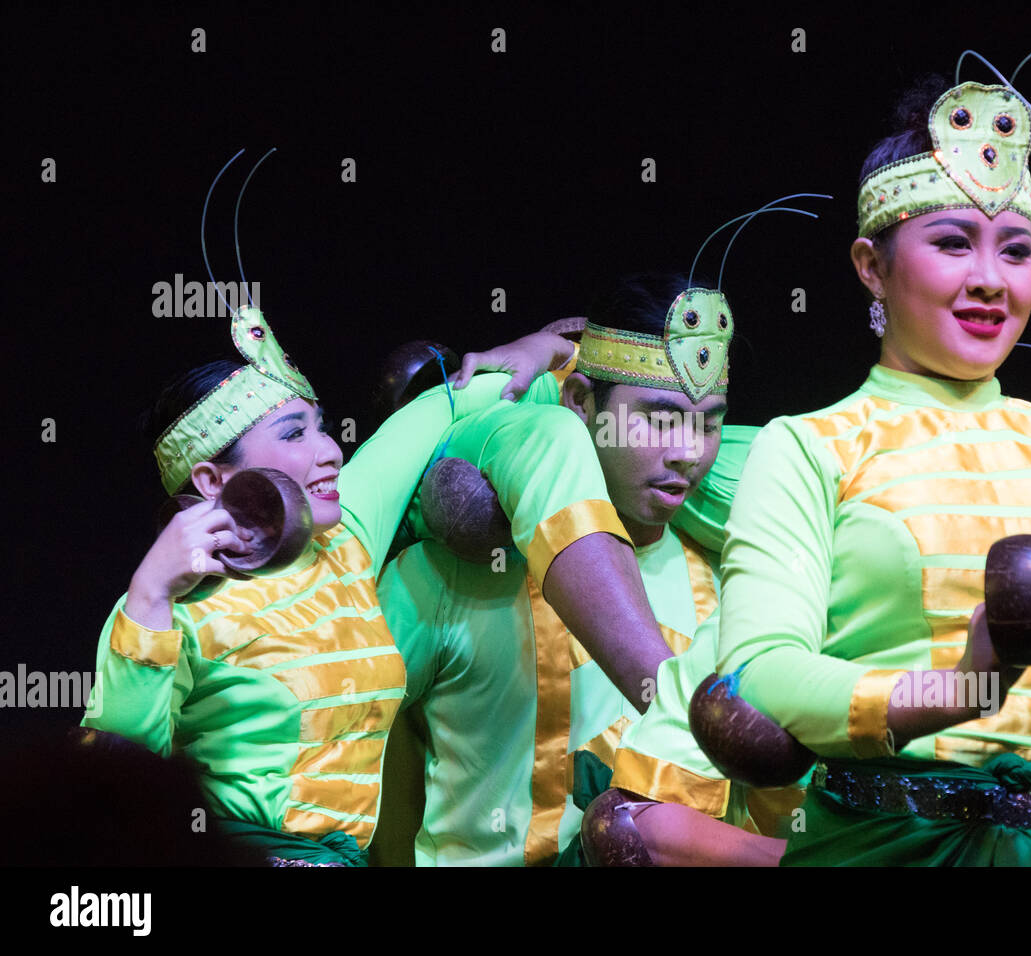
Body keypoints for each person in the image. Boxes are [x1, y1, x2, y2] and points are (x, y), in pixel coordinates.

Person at [710, 74, 1031, 866]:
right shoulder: (809, 444)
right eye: (952, 243)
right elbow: (759, 678)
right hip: (885, 847)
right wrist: (959, 690)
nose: (991, 278)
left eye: (1015, 250)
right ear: (870, 267)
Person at [81, 306, 644, 865]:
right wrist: (151, 593)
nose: (328, 450)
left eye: (322, 427)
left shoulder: (345, 535)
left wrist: (553, 356)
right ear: (211, 479)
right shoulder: (163, 609)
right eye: (294, 434)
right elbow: (112, 788)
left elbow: (440, 408)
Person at [377, 274, 783, 865]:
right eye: (659, 418)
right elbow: (338, 747)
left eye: (708, 422)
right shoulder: (445, 578)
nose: (687, 452)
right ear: (580, 403)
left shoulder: (729, 581)